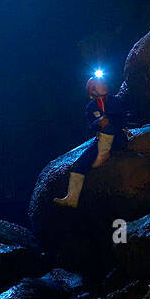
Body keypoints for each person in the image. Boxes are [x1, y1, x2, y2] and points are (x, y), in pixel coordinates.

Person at [54, 75, 129, 208]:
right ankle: (71, 198)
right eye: (100, 85)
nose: (104, 85)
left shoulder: (115, 101)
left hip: (117, 138)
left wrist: (109, 120)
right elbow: (90, 126)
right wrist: (98, 123)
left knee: (109, 127)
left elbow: (124, 119)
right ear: (93, 90)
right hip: (101, 140)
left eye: (104, 83)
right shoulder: (91, 106)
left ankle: (103, 153)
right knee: (81, 162)